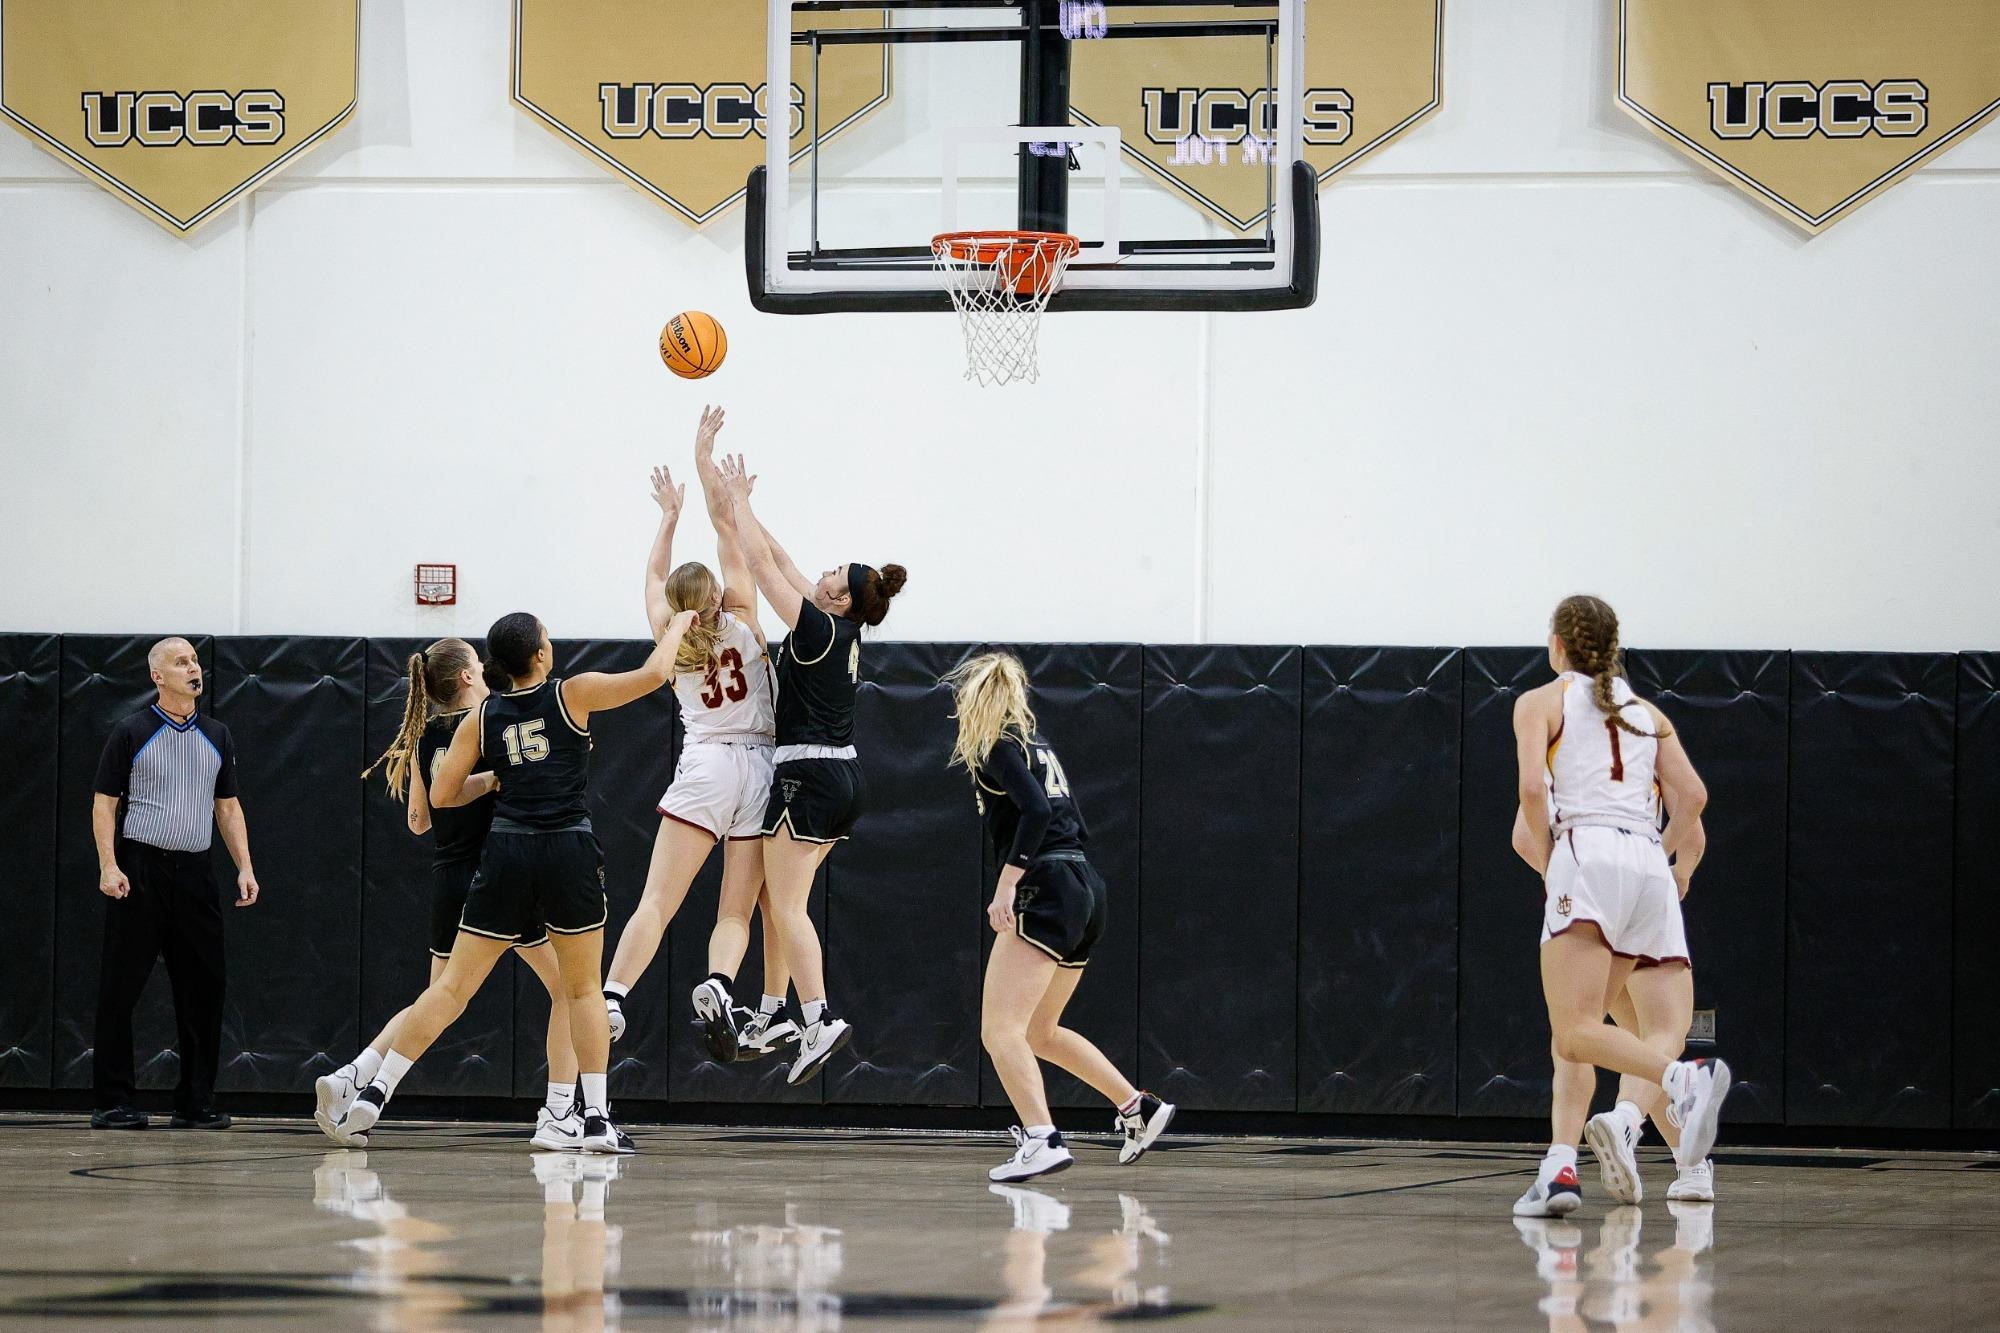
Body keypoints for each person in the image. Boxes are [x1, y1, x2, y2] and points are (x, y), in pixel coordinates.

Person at [321, 608, 694, 1153]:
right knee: (583, 989)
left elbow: (443, 797)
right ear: (540, 653)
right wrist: (680, 622)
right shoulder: (575, 693)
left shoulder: (483, 717)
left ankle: (374, 1094)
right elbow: (656, 674)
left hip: (506, 853)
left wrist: (498, 775)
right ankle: (592, 1121)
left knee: (448, 988)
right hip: (566, 848)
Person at [315, 638, 585, 1150]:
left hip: (448, 876)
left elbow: (418, 822)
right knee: (572, 991)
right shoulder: (487, 723)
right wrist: (495, 781)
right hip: (496, 876)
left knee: (436, 996)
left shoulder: (421, 738)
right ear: (464, 678)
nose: (484, 670)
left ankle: (355, 1073)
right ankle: (558, 1108)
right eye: (475, 665)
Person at [1510, 595, 1729, 1217]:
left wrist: (1559, 862)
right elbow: (1694, 799)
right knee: (1655, 1029)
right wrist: (1671, 865)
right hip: (1647, 866)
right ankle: (1676, 1153)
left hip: (1590, 855)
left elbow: (1529, 801)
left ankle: (1666, 1092)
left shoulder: (1541, 702)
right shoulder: (1648, 714)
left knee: (1574, 1032)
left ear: (1557, 644)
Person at [601, 410, 795, 1064]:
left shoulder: (672, 636)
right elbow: (728, 530)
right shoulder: (743, 615)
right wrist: (706, 461)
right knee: (735, 910)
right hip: (761, 770)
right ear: (715, 593)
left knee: (659, 898)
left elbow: (654, 580)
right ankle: (717, 983)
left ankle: (614, 995)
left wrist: (664, 516)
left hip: (707, 764)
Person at [943, 651, 1174, 1183]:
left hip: (1046, 884)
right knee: (1040, 1031)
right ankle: (1136, 1106)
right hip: (1084, 884)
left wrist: (1007, 886)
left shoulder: (995, 744)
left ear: (972, 699)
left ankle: (1041, 1139)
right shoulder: (1036, 742)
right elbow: (1068, 818)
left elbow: (1038, 812)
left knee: (1000, 1030)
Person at [715, 449, 906, 1085]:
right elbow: (785, 560)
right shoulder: (832, 625)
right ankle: (774, 1011)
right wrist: (745, 506)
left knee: (789, 907)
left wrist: (737, 501)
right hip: (837, 776)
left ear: (841, 596)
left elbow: (767, 570)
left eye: (832, 573)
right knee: (776, 897)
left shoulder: (819, 627)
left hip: (809, 775)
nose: (818, 572)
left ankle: (819, 1015)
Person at [89, 636, 259, 1130]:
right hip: (140, 869)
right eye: (181, 662)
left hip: (196, 873)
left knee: (205, 988)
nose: (194, 668)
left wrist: (244, 866)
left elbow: (226, 807)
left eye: (195, 660)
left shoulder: (217, 734)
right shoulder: (131, 731)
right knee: (120, 987)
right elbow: (105, 803)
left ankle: (195, 1102)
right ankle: (113, 1100)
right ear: (157, 676)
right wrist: (108, 864)